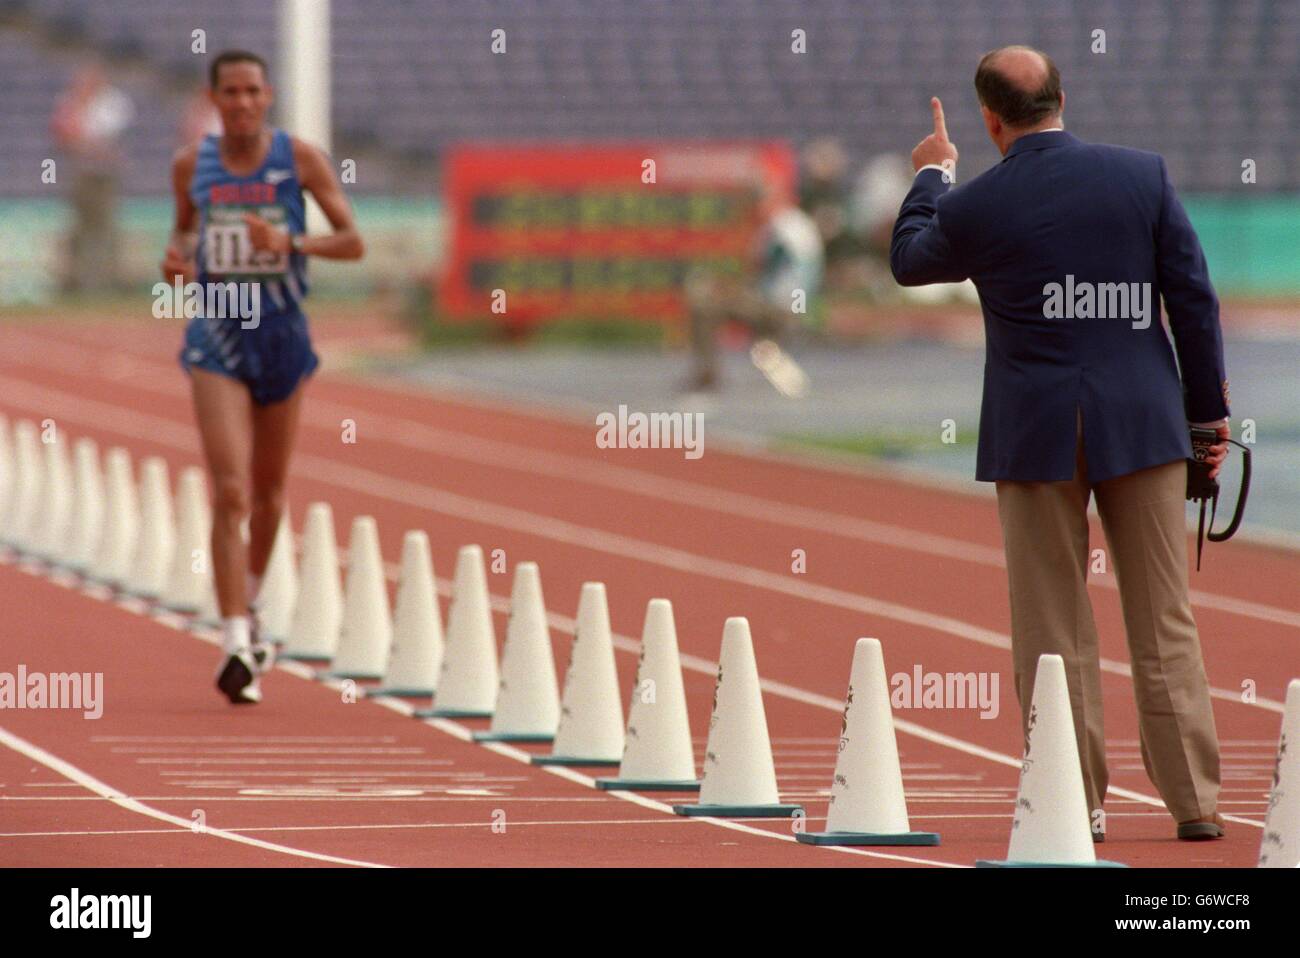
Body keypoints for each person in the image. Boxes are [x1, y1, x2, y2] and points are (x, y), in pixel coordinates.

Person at [890, 46, 1232, 841]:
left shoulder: (974, 204)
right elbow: (1193, 299)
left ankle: (1076, 804)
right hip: (1142, 425)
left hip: (1035, 431)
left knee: (1051, 621)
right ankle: (1196, 802)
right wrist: (1208, 419)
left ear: (989, 120)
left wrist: (934, 172)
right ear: (1061, 98)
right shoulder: (1141, 175)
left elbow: (909, 261)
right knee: (1163, 615)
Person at [161, 50, 364, 704]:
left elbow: (352, 241)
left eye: (253, 90)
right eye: (231, 92)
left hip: (282, 337)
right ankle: (234, 639)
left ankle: (250, 604)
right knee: (230, 490)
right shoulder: (192, 166)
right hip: (218, 333)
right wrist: (174, 261)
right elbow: (183, 240)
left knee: (271, 495)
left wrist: (291, 244)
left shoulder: (299, 160)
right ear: (214, 98)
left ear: (267, 95)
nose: (243, 102)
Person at [684, 183, 823, 395]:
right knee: (759, 338)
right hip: (791, 303)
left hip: (781, 304)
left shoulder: (782, 227)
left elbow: (764, 273)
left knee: (704, 306)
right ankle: (783, 371)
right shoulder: (794, 223)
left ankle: (707, 372)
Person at [50, 61, 134, 293]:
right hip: (81, 173)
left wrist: (86, 145)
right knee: (79, 229)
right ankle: (76, 283)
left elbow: (102, 142)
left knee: (104, 228)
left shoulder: (112, 103)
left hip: (104, 176)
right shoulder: (70, 102)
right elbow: (65, 135)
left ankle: (105, 283)